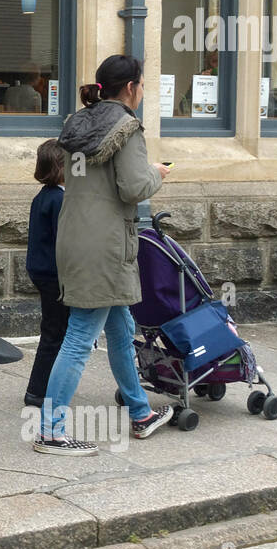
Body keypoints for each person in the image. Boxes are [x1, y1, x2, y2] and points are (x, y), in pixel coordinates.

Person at [36, 54, 174, 455]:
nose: (143, 92)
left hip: (75, 237)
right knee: (79, 337)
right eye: (143, 85)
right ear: (130, 88)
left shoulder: (76, 123)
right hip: (106, 244)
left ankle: (141, 413)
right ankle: (50, 430)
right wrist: (157, 174)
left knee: (119, 327)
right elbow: (133, 188)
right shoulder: (127, 128)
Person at [23, 139, 67, 408]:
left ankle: (42, 387)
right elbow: (65, 241)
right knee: (55, 334)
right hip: (54, 275)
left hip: (42, 271)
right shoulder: (60, 199)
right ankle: (38, 391)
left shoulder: (43, 196)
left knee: (53, 331)